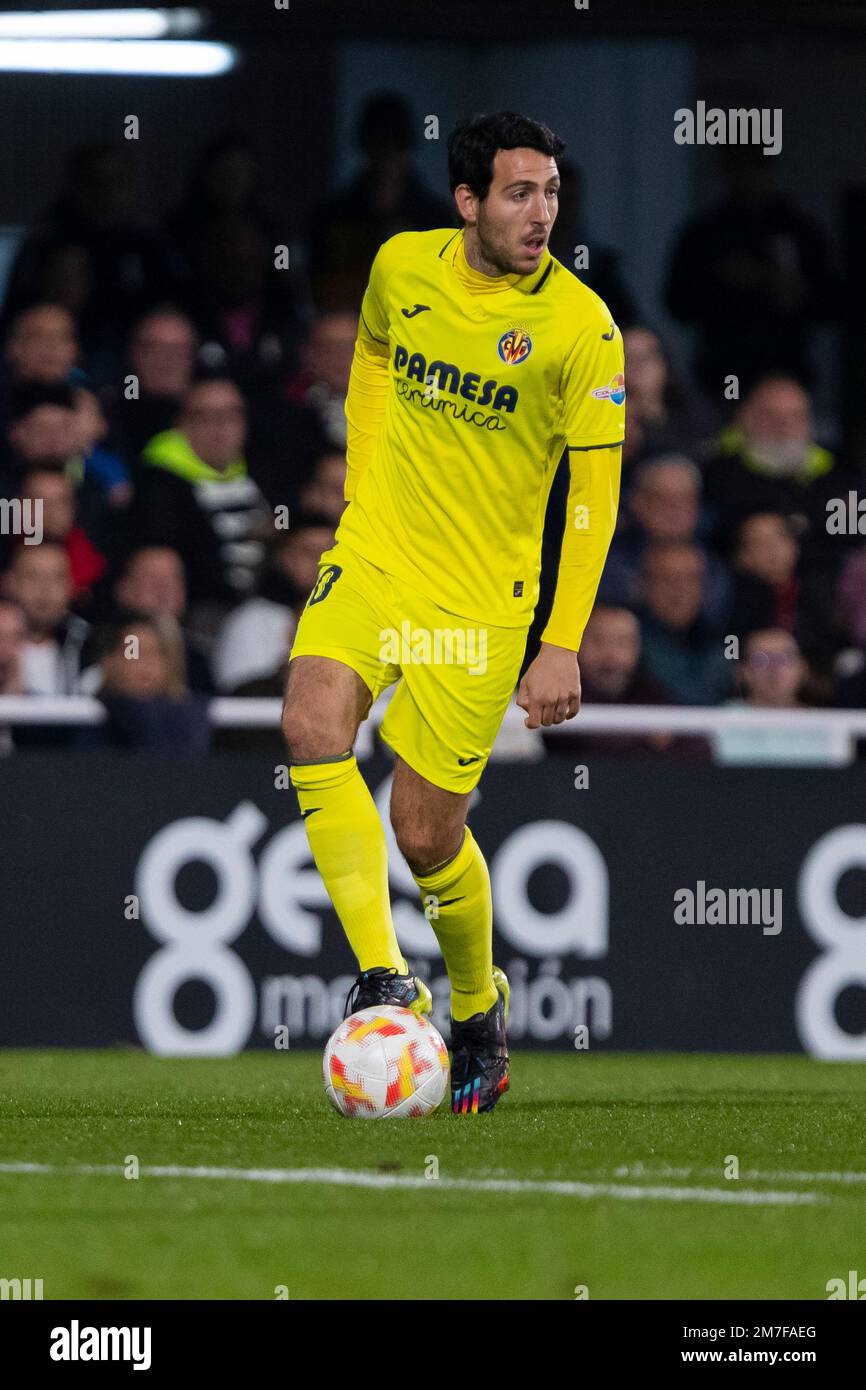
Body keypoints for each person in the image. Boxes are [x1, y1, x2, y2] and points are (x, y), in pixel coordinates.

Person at [282, 112, 624, 1114]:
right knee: (308, 721)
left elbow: (593, 497)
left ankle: (475, 1007)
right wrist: (363, 487)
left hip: (481, 603)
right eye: (518, 193)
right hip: (379, 560)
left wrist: (560, 640)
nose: (540, 213)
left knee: (426, 833)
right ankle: (386, 979)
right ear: (466, 200)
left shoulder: (580, 328)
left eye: (551, 193)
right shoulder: (399, 266)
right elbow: (377, 357)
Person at [129, 376, 272, 620]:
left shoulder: (264, 472)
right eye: (206, 416)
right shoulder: (159, 484)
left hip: (265, 609)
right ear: (182, 424)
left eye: (231, 415)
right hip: (202, 615)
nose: (221, 427)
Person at [541, 604, 709, 759]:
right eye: (598, 641)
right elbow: (578, 745)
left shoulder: (650, 691)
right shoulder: (557, 695)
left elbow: (699, 746)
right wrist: (646, 739)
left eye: (622, 643)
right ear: (577, 644)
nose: (611, 656)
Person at [637, 542, 731, 706]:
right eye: (667, 579)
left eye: (691, 579)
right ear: (645, 584)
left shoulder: (726, 638)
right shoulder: (628, 638)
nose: (679, 589)